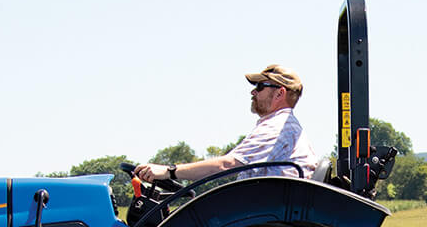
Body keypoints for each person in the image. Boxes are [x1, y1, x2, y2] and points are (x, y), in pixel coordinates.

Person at [134, 65, 319, 184]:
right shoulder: (285, 127)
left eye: (260, 87)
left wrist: (169, 171)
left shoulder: (278, 127)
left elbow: (227, 164)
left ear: (280, 93)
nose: (253, 92)